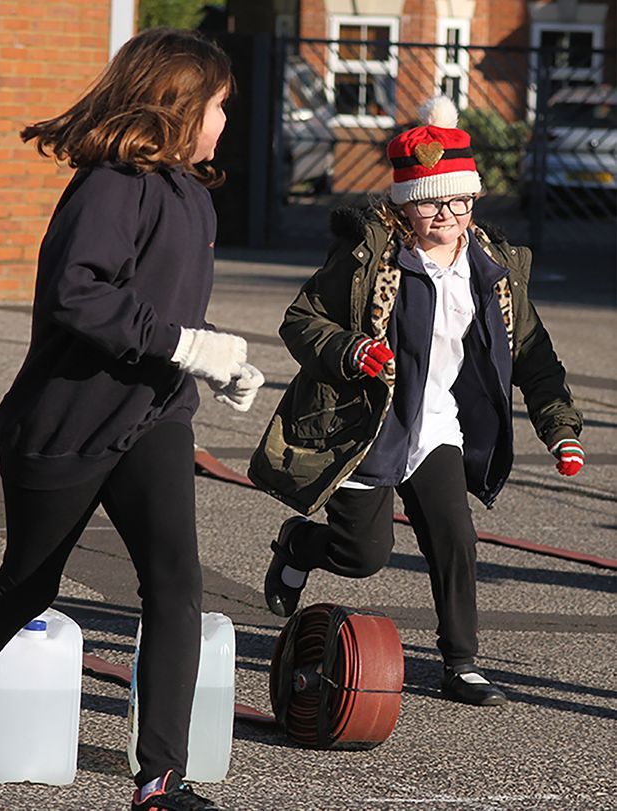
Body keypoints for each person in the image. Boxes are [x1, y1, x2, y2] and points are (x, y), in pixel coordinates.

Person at [0, 27, 263, 811]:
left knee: (176, 587)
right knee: (26, 588)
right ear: (176, 105)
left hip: (153, 417)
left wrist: (211, 361)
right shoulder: (108, 187)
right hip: (66, 424)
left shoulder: (191, 193)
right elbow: (79, 294)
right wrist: (186, 344)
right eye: (220, 105)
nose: (228, 121)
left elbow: (165, 307)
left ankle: (160, 781)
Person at [249, 95, 584, 707]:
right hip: (369, 424)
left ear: (475, 199)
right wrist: (350, 350)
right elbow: (302, 320)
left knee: (455, 537)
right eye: (432, 202)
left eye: (460, 201)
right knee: (362, 555)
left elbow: (533, 352)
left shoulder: (491, 268)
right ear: (405, 205)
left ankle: (460, 663)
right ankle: (299, 545)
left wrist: (559, 427)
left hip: (434, 423)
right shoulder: (367, 259)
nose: (448, 215)